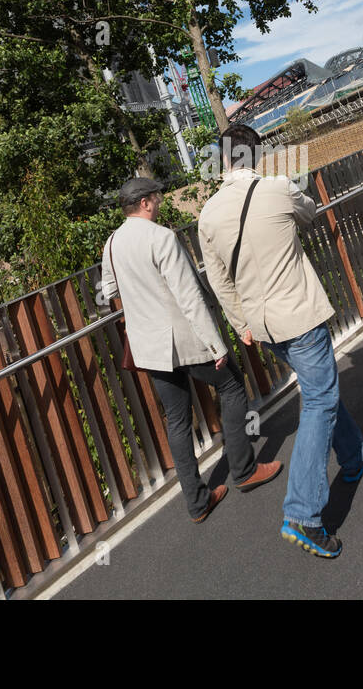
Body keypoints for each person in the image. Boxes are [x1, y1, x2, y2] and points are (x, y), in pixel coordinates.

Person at [198, 124, 363, 558]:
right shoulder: (278, 188)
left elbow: (221, 282)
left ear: (224, 160)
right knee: (319, 400)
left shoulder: (207, 214)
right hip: (298, 315)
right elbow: (311, 212)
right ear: (255, 156)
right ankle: (303, 512)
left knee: (320, 390)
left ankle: (355, 453)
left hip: (262, 328)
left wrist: (240, 322)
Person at [101, 176, 282, 524]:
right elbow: (188, 296)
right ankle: (243, 470)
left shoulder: (112, 243)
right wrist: (216, 344)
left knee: (179, 419)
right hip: (184, 338)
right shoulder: (162, 238)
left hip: (148, 346)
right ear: (145, 203)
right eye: (156, 198)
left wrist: (141, 304)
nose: (159, 203)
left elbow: (109, 288)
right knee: (231, 385)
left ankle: (197, 502)